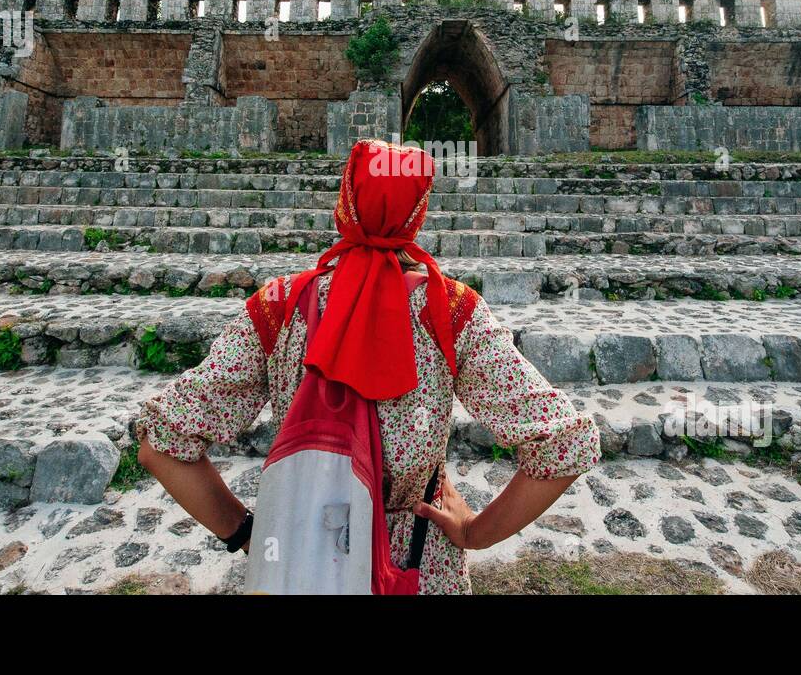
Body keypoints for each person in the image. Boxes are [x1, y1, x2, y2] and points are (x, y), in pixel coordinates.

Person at [135, 138, 600, 594]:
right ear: (416, 215)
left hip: (300, 553)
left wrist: (245, 533)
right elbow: (564, 443)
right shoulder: (450, 312)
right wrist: (475, 532)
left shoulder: (277, 306)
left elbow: (162, 442)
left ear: (346, 202)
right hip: (419, 560)